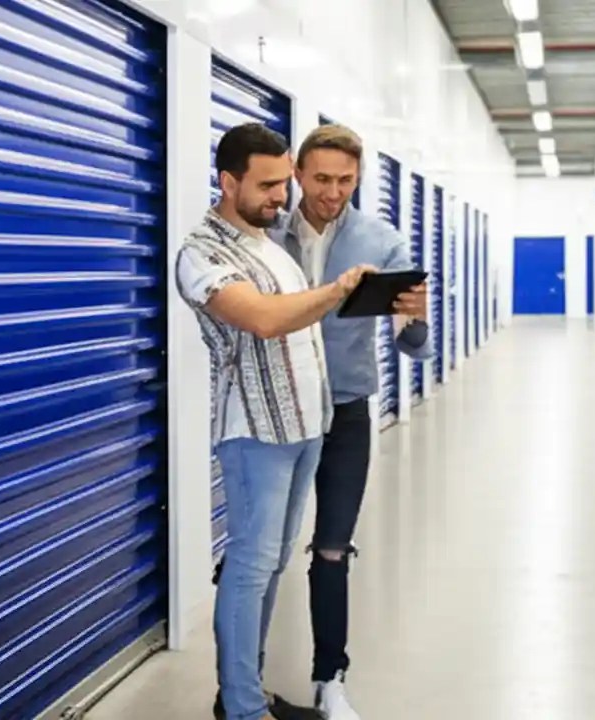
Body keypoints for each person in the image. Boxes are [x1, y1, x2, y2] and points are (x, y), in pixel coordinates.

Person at [177, 122, 374, 720]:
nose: (279, 198)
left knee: (271, 562)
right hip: (256, 433)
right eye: (265, 186)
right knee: (248, 565)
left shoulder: (268, 245)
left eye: (283, 184)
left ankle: (248, 690)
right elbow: (262, 319)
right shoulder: (202, 253)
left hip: (303, 426)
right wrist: (338, 290)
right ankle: (239, 708)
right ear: (228, 181)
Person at [271, 124, 433, 719]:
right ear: (298, 174)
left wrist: (414, 320)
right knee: (264, 551)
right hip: (279, 407)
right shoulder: (270, 232)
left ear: (358, 177)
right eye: (321, 179)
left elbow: (414, 345)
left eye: (345, 180)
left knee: (333, 549)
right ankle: (243, 684)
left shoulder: (380, 240)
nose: (333, 191)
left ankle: (329, 679)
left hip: (345, 411)